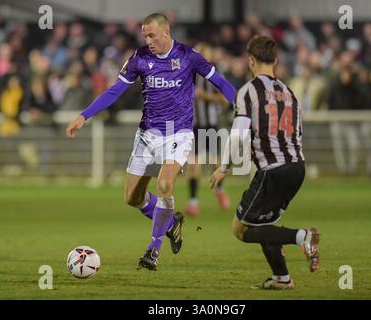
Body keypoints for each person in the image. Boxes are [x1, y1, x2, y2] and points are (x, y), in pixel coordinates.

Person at [66, 13, 236, 270]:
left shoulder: (188, 56)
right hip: (147, 135)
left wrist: (242, 105)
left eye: (152, 35)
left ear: (166, 33)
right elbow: (114, 91)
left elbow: (221, 82)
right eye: (145, 35)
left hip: (177, 133)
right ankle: (170, 222)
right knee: (132, 198)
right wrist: (83, 115)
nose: (148, 40)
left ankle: (153, 251)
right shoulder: (139, 58)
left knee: (165, 183)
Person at [210, 35, 320, 290]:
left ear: (250, 60)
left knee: (241, 229)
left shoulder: (248, 91)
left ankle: (303, 237)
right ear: (276, 60)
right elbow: (296, 133)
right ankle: (281, 277)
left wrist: (224, 167)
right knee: (265, 223)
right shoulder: (290, 92)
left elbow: (237, 133)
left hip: (273, 170)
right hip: (297, 168)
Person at [185, 42, 230, 216]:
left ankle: (219, 190)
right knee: (194, 165)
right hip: (193, 126)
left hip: (211, 125)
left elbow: (225, 99)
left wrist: (205, 96)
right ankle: (193, 202)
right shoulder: (187, 75)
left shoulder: (215, 74)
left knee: (214, 163)